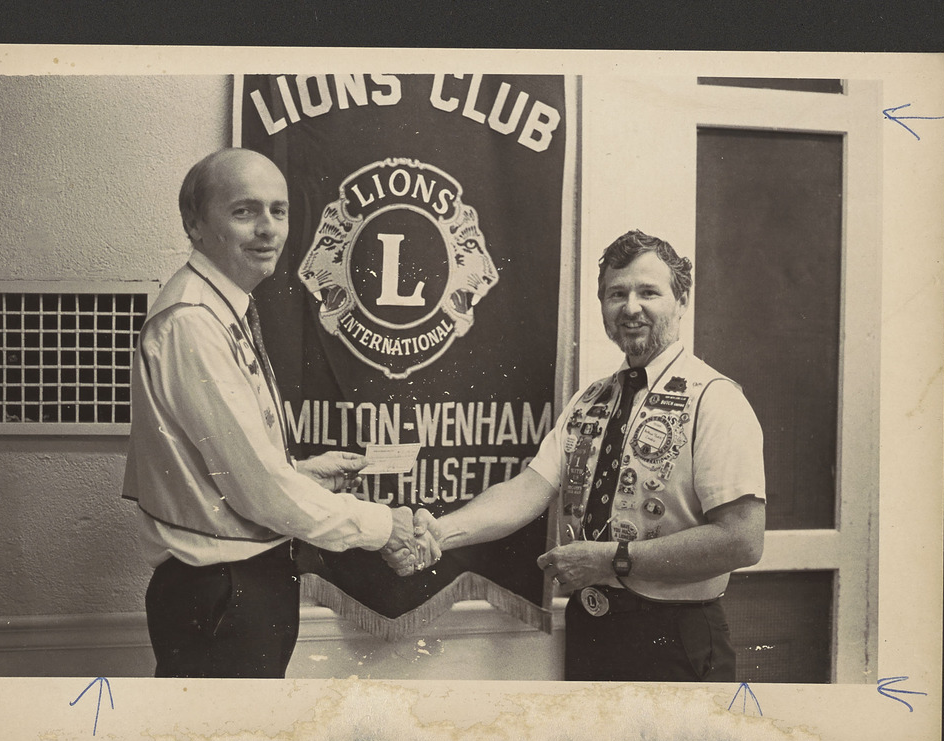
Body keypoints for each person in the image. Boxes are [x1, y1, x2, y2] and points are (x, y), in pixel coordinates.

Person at [122, 148, 438, 678]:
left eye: (279, 211)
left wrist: (300, 474)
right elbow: (260, 491)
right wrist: (386, 528)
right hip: (223, 589)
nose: (268, 229)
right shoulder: (192, 323)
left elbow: (226, 469)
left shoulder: (223, 304)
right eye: (244, 211)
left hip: (238, 583)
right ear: (194, 224)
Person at [396, 229, 765, 682]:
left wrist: (612, 559)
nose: (631, 308)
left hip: (675, 637)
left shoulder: (715, 399)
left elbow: (742, 540)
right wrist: (444, 531)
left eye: (649, 292)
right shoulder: (591, 400)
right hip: (593, 629)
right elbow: (529, 488)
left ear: (682, 300)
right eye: (617, 294)